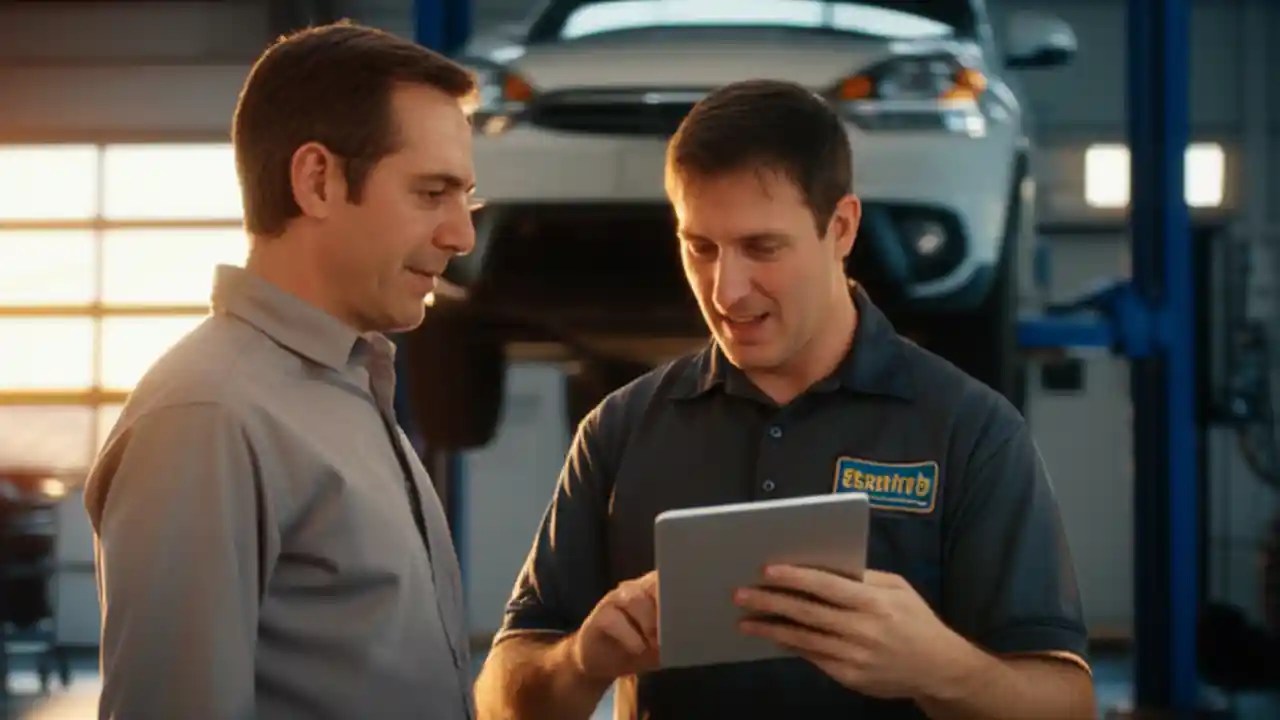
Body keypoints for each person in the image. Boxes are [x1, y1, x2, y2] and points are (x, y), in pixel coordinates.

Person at [473, 79, 1096, 719]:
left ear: (842, 227)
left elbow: (1069, 707)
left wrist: (939, 667)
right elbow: (498, 702)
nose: (726, 291)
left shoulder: (969, 431)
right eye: (700, 247)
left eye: (762, 248)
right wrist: (581, 660)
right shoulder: (622, 430)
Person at [82, 22, 479, 719]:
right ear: (318, 180)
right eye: (430, 193)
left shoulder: (350, 388)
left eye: (464, 199)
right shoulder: (209, 416)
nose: (461, 235)